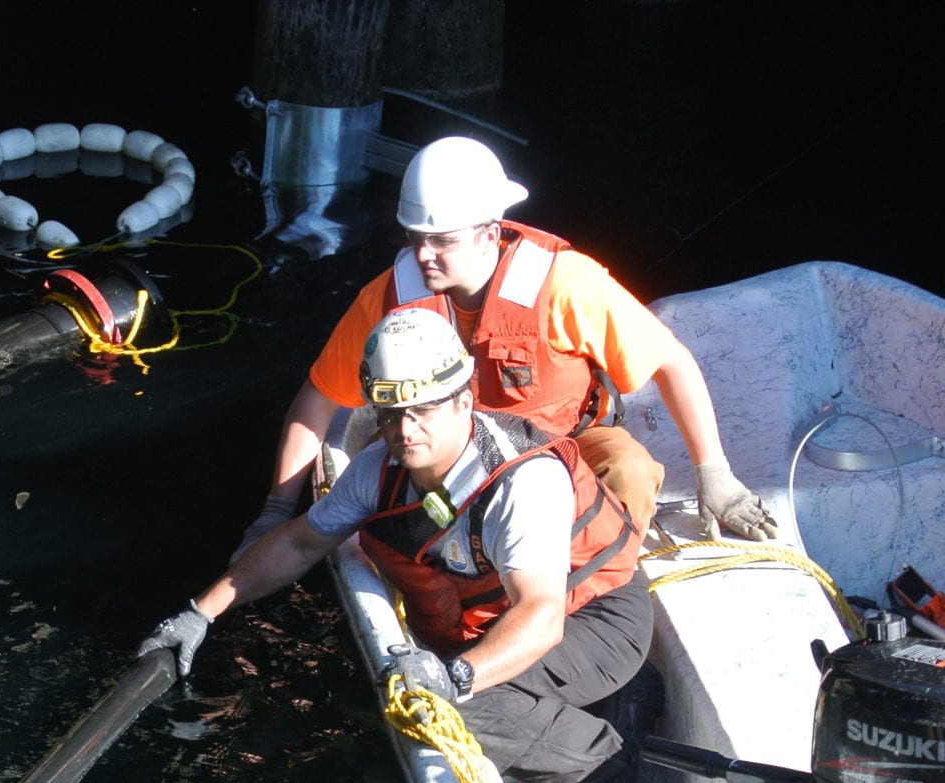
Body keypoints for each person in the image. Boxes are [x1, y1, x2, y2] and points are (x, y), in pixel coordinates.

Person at [153, 309, 654, 783]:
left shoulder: (520, 482)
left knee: (447, 708)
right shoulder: (378, 469)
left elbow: (541, 616)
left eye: (424, 410)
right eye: (391, 414)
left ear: (464, 400)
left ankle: (606, 773)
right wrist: (201, 612)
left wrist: (453, 677)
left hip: (595, 617)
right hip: (500, 621)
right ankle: (606, 708)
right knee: (365, 704)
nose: (405, 431)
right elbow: (298, 542)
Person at [234, 136, 775, 560]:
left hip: (564, 447)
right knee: (408, 513)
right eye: (414, 238)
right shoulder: (389, 297)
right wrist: (276, 508)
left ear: (490, 233)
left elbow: (672, 362)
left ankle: (591, 587)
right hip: (447, 462)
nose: (424, 255)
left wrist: (715, 476)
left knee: (629, 472)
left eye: (442, 240)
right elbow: (318, 399)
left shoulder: (566, 283)